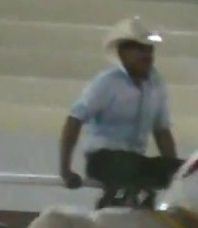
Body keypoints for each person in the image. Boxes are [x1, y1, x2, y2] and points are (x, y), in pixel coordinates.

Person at [59, 16, 180, 209]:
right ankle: (117, 204)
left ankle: (134, 201)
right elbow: (74, 120)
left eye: (149, 49)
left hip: (135, 162)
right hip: (103, 158)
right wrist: (65, 170)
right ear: (123, 52)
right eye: (140, 49)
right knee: (129, 169)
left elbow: (162, 131)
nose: (146, 54)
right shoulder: (106, 82)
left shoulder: (156, 85)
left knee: (184, 170)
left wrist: (174, 172)